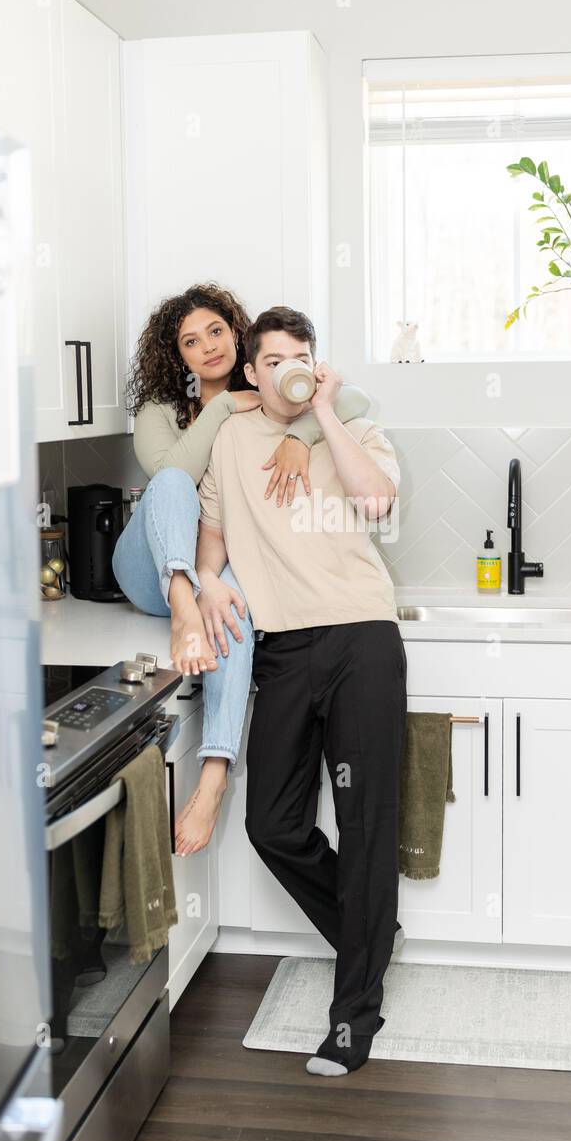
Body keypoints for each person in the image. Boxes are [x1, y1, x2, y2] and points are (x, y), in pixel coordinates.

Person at [196, 305, 407, 1076]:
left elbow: (378, 501)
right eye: (276, 357)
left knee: (364, 820)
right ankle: (369, 937)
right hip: (282, 649)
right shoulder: (228, 437)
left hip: (360, 636)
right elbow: (214, 525)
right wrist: (208, 581)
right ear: (251, 370)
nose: (290, 365)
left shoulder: (348, 421)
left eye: (303, 355)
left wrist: (320, 409)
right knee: (272, 825)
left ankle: (353, 1017)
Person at [112, 283, 370, 856]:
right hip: (147, 567)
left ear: (236, 333)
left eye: (216, 332)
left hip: (214, 568)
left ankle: (213, 774)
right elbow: (167, 470)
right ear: (175, 355)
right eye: (190, 341)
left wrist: (301, 436)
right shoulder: (165, 409)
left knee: (232, 603)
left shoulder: (272, 386)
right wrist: (225, 405)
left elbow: (352, 402)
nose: (207, 346)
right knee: (174, 486)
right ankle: (183, 601)